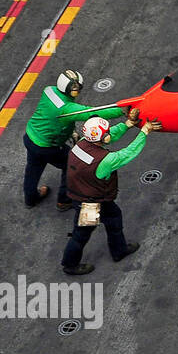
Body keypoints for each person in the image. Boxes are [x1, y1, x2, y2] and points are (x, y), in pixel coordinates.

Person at [61, 111, 157, 276]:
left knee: (113, 218)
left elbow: (109, 135)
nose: (109, 134)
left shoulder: (82, 143)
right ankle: (71, 264)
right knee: (82, 234)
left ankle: (119, 249)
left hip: (80, 195)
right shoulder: (105, 160)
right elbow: (128, 153)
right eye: (106, 133)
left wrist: (127, 124)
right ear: (101, 138)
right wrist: (144, 132)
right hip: (92, 203)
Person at [21, 68, 123, 210]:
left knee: (33, 168)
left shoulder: (49, 90)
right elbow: (93, 113)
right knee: (70, 165)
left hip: (31, 137)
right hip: (48, 146)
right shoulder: (67, 108)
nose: (77, 90)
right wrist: (122, 109)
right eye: (75, 87)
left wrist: (71, 132)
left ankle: (30, 198)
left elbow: (56, 120)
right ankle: (64, 200)